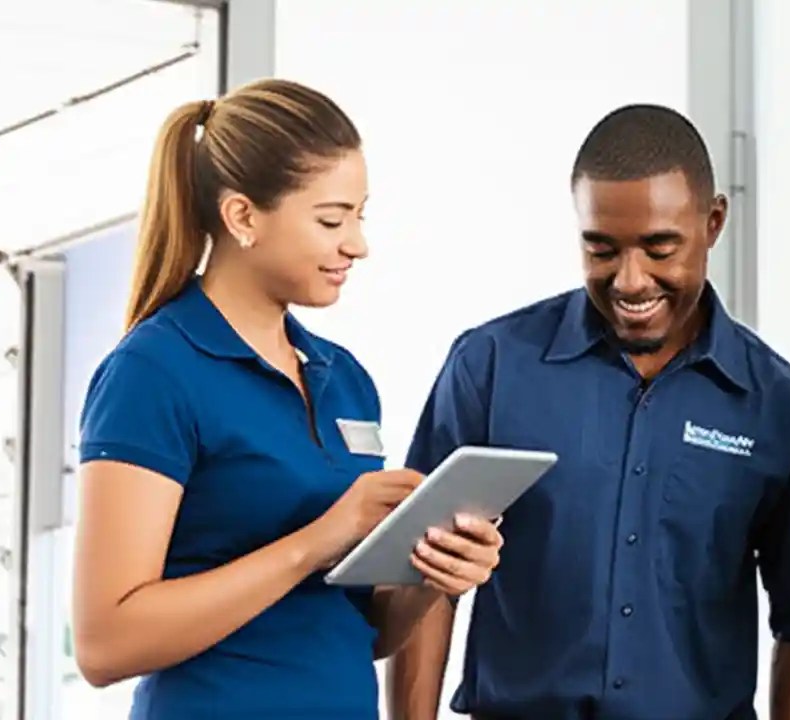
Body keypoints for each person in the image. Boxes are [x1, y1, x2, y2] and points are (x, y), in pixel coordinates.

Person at [386, 104, 790, 720]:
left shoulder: (786, 409)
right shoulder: (490, 367)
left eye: (660, 248)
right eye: (601, 250)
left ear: (713, 222)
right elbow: (424, 573)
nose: (631, 280)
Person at [71, 78, 504, 719]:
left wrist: (431, 575)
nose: (357, 244)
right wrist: (318, 539)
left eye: (360, 216)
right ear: (243, 217)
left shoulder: (346, 379)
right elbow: (104, 643)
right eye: (331, 219)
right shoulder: (152, 373)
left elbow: (362, 630)